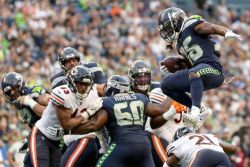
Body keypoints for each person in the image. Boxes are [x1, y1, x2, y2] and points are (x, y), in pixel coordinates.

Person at [68, 75, 182, 167]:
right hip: (144, 146)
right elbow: (162, 109)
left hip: (122, 145)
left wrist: (69, 130)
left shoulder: (107, 102)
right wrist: (174, 90)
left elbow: (94, 125)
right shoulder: (139, 97)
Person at [158, 7, 241, 128]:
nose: (168, 31)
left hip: (214, 70)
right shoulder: (180, 44)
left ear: (177, 21)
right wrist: (174, 65)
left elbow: (211, 27)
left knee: (194, 71)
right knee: (166, 85)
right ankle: (199, 108)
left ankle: (195, 113)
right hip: (198, 73)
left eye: (168, 26)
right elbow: (189, 65)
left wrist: (225, 32)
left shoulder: (191, 24)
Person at [128, 60, 186, 166]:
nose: (143, 80)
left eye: (146, 76)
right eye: (139, 77)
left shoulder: (157, 88)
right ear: (132, 78)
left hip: (155, 131)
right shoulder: (126, 92)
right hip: (135, 132)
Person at [44, 65, 103, 167]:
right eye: (80, 83)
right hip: (73, 141)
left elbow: (108, 88)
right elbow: (65, 124)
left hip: (85, 139)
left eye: (86, 84)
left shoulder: (94, 91)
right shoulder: (63, 95)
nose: (83, 88)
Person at [1, 72, 50, 167]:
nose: (12, 93)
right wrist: (29, 138)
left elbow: (50, 113)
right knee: (28, 163)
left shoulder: (33, 92)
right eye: (9, 92)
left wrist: (30, 101)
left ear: (20, 84)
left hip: (52, 134)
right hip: (40, 135)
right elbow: (34, 123)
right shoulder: (16, 103)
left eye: (14, 88)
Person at [165, 126, 237, 167]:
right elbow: (233, 148)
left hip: (204, 155)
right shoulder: (208, 136)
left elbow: (169, 163)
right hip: (223, 158)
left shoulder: (181, 142)